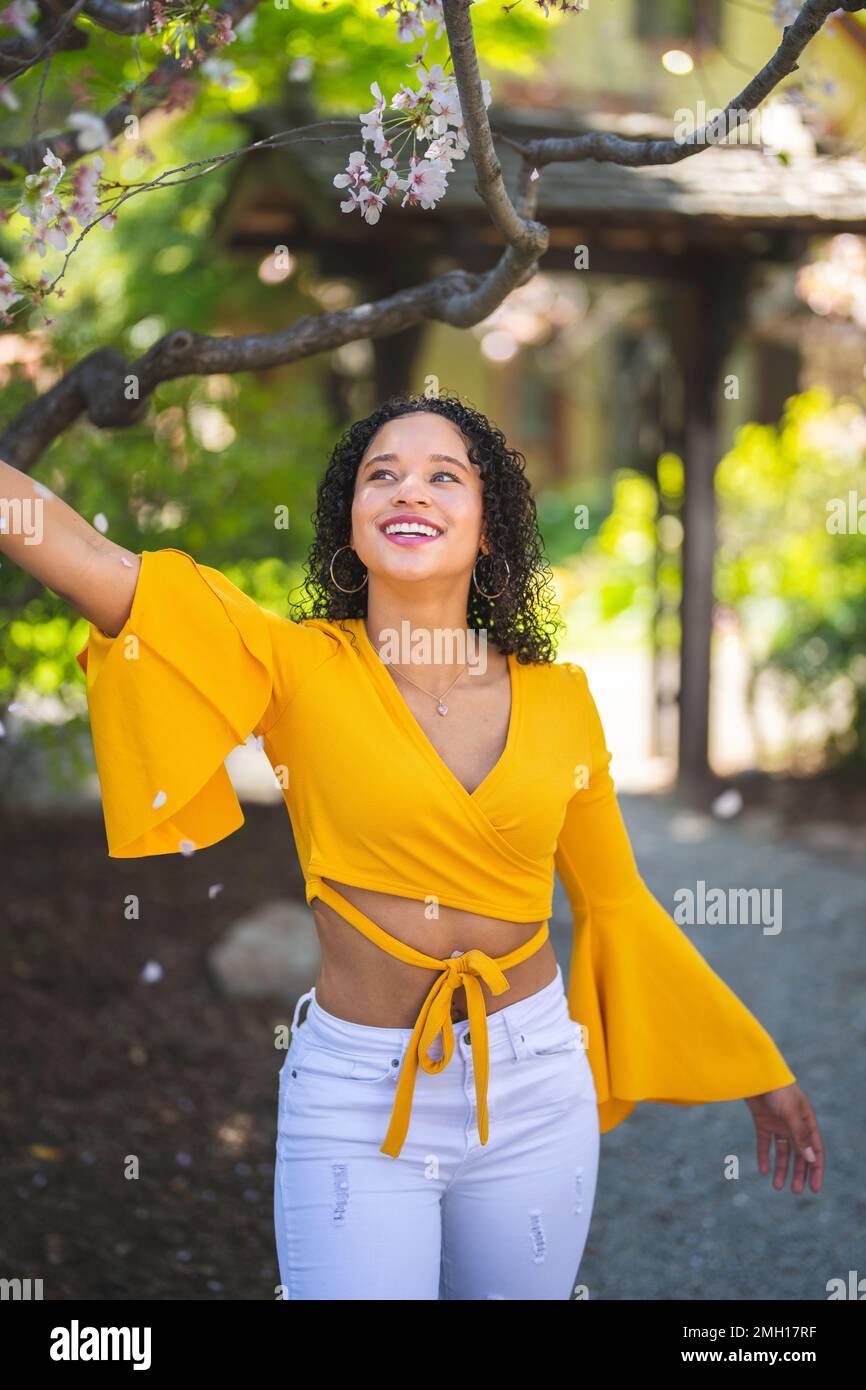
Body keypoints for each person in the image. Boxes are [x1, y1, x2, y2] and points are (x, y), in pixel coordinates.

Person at [0, 392, 823, 1301]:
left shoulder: (562, 699)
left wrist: (754, 1063)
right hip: (357, 1095)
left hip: (537, 1084)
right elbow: (92, 563)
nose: (409, 491)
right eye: (380, 475)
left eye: (444, 475)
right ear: (350, 523)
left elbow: (616, 904)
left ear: (489, 522)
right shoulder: (296, 668)